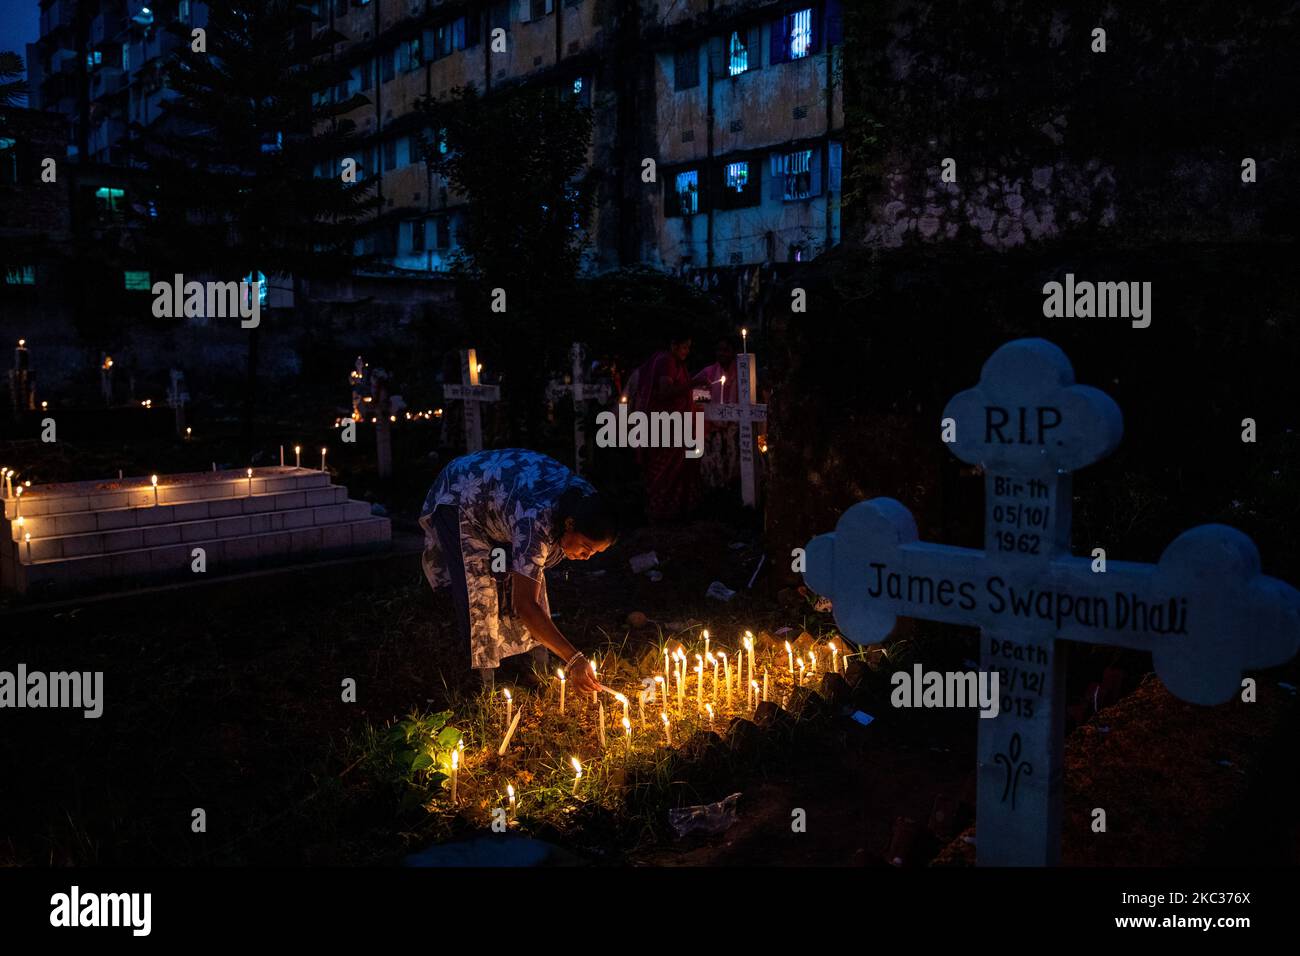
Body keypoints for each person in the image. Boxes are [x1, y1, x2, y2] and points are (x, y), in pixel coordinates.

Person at [418, 449, 616, 691]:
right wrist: (574, 659)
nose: (586, 557)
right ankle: (483, 682)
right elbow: (526, 605)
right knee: (479, 589)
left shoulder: (585, 503)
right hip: (462, 495)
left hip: (506, 499)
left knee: (526, 575)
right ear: (569, 524)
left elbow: (531, 575)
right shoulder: (536, 521)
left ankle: (533, 664)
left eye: (595, 552)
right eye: (586, 547)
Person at [634, 327, 702, 521]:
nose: (686, 352)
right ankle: (662, 514)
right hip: (666, 426)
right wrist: (693, 383)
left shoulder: (671, 362)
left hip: (670, 425)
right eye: (684, 347)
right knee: (664, 472)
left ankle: (672, 513)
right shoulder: (667, 361)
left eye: (688, 348)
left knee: (674, 470)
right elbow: (665, 392)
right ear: (673, 345)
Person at [693, 334, 741, 491]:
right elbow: (694, 395)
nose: (722, 353)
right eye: (719, 350)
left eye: (726, 350)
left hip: (737, 430)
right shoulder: (708, 372)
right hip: (713, 431)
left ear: (733, 351)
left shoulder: (743, 373)